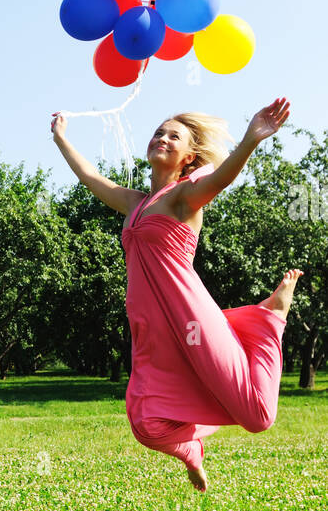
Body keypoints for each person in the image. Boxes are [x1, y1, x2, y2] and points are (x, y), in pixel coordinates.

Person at [51, 99, 301, 490]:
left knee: (257, 416)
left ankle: (271, 319)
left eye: (174, 136)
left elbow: (221, 179)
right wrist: (61, 139)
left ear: (188, 157)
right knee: (146, 423)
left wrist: (252, 138)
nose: (162, 139)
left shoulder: (185, 196)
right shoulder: (135, 203)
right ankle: (192, 449)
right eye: (158, 133)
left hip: (190, 319)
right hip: (151, 327)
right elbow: (90, 178)